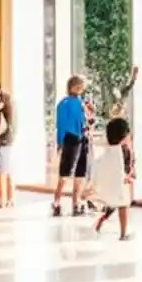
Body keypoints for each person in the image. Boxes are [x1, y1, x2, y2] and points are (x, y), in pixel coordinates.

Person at [92, 117, 136, 240]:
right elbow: (127, 168)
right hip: (119, 187)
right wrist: (130, 176)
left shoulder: (108, 149)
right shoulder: (123, 150)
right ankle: (123, 234)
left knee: (112, 205)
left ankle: (101, 221)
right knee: (123, 205)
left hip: (108, 187)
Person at [53, 75, 88, 217]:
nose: (80, 88)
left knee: (81, 172)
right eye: (77, 85)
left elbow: (86, 121)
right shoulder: (64, 104)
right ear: (71, 86)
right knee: (65, 172)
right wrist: (60, 142)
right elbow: (60, 124)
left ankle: (76, 202)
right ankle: (57, 201)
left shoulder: (82, 103)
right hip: (70, 139)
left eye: (81, 85)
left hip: (82, 138)